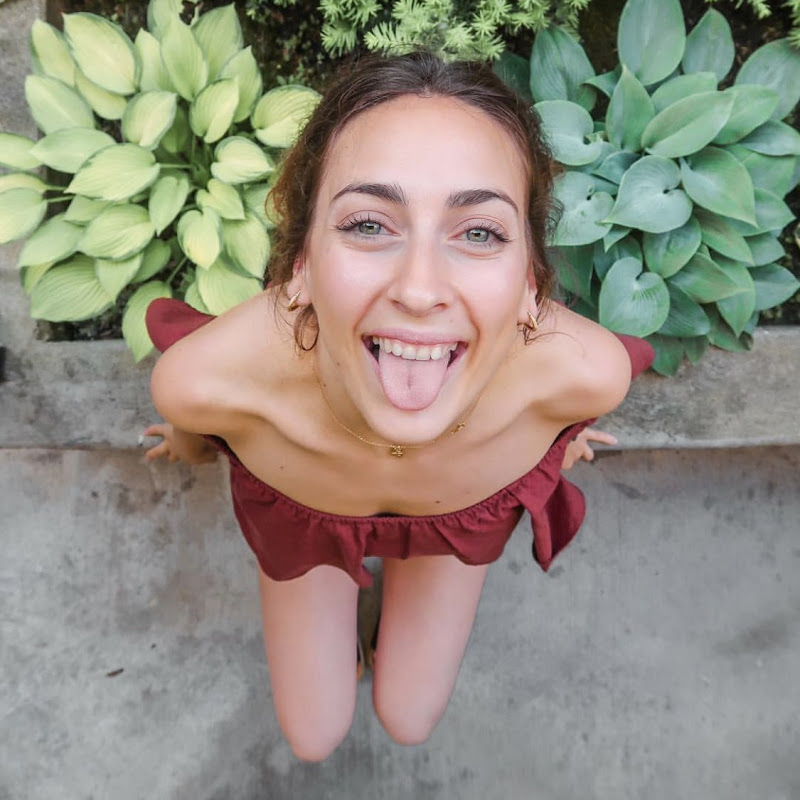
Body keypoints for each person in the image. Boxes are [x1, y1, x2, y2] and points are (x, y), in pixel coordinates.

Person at [143, 51, 653, 762]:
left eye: (479, 232)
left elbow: (574, 411)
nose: (419, 290)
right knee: (314, 735)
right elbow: (198, 428)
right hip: (301, 528)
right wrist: (188, 443)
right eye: (367, 225)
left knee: (409, 716)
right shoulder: (207, 380)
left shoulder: (583, 375)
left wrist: (558, 442)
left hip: (458, 526)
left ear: (530, 283)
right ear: (301, 266)